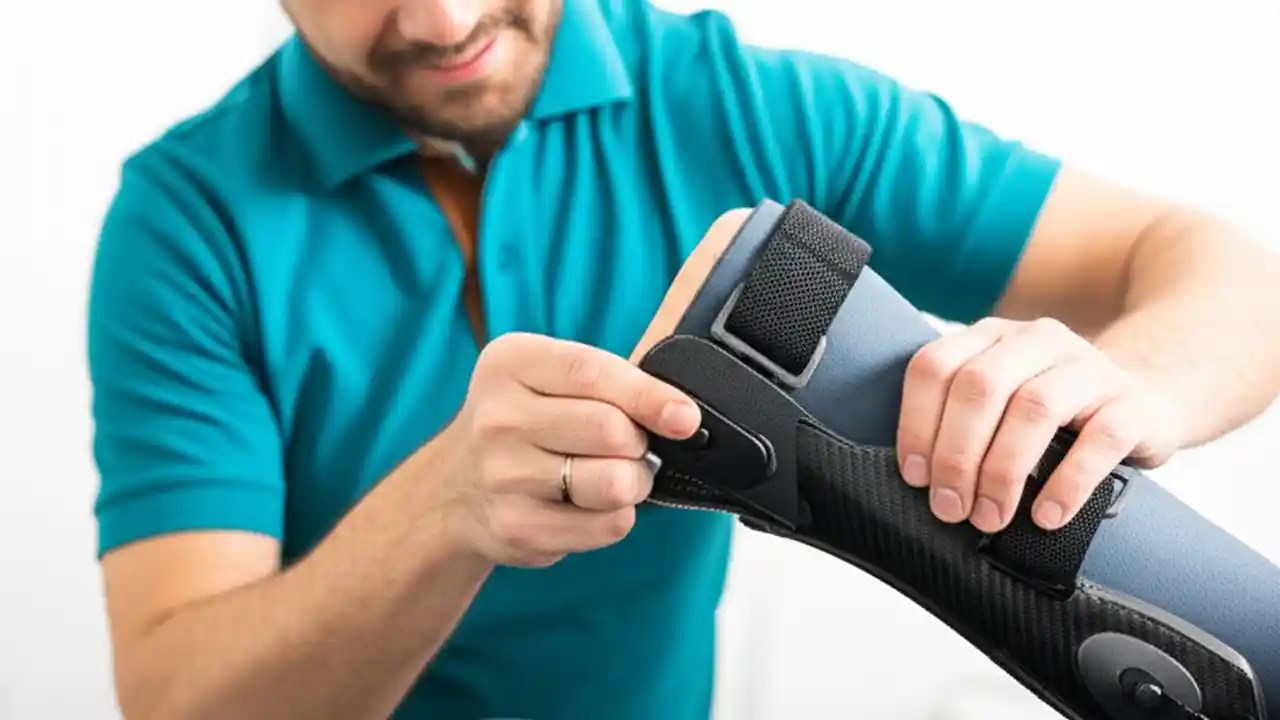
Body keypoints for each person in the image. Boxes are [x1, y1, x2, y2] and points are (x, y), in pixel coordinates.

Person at [85, 0, 1280, 718]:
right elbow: (183, 696)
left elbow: (1223, 272)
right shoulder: (188, 220)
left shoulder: (744, 110)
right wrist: (443, 510)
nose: (444, 20)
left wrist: (1135, 386)